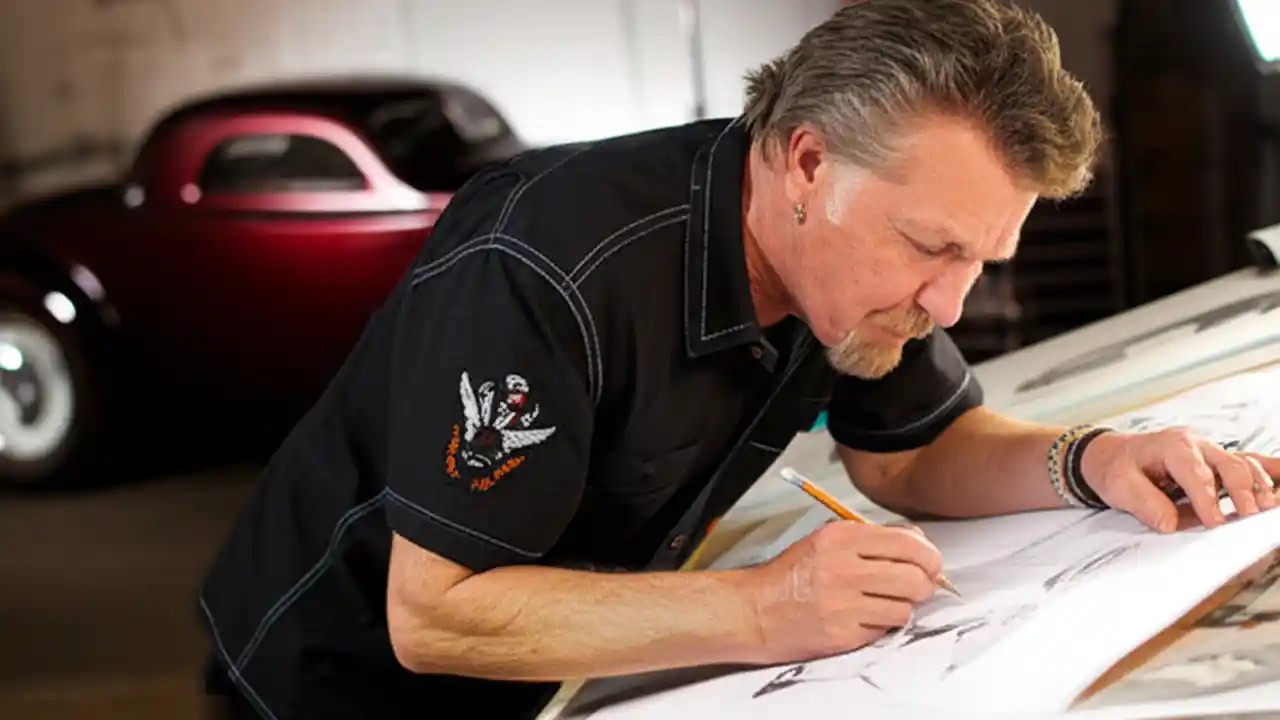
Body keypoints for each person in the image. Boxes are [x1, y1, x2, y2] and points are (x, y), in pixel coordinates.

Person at [197, 1, 1280, 718]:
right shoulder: (545, 266)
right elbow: (434, 614)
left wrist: (1091, 461)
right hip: (328, 682)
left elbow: (912, 453)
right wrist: (764, 607)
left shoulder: (844, 261)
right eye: (931, 248)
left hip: (554, 668)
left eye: (979, 258)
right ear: (808, 160)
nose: (947, 301)